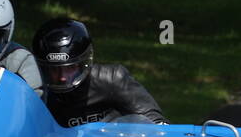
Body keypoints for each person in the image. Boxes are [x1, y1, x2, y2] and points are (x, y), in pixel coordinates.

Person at [31, 17, 168, 127]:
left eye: (70, 68)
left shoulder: (113, 79)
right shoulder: (37, 93)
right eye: (54, 69)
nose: (62, 77)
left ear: (84, 62)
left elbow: (156, 123)